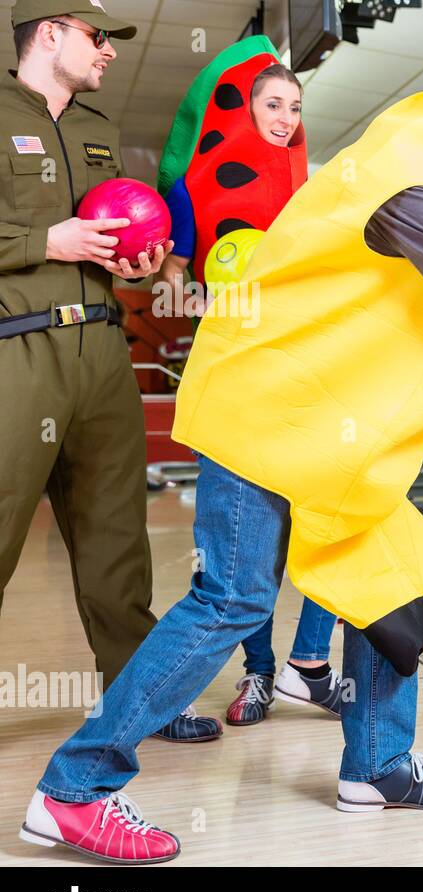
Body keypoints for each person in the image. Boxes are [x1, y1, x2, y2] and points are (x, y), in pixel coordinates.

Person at [19, 0, 423, 865]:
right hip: (267, 410)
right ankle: (73, 791)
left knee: (392, 569)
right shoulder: (419, 189)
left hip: (326, 428)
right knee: (236, 599)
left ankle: (378, 763)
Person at [0, 0, 219, 744]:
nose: (111, 53)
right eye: (99, 38)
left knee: (117, 546)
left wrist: (140, 262)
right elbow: (53, 241)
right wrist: (45, 239)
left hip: (104, 351)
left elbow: (108, 244)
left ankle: (139, 705)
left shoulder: (99, 131)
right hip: (18, 352)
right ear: (50, 32)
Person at [154, 42, 341, 727]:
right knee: (245, 551)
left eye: (295, 107)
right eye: (273, 104)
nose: (286, 118)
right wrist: (200, 300)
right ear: (243, 107)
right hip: (233, 378)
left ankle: (310, 665)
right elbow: (168, 285)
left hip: (305, 373)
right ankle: (258, 674)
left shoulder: (309, 193)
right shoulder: (192, 190)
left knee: (329, 524)